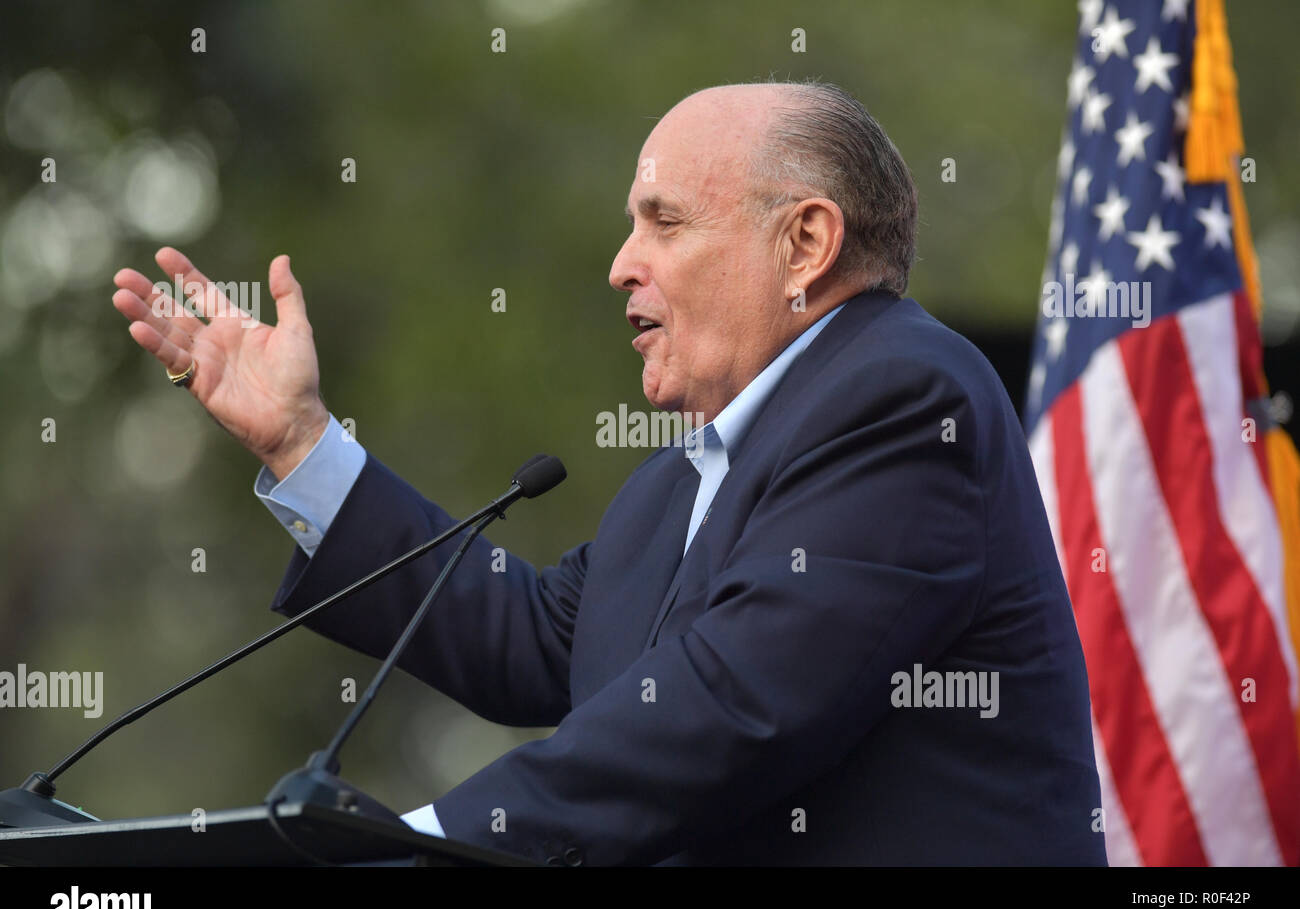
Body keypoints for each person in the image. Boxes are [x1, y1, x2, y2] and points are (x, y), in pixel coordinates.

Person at [110, 80, 1107, 866]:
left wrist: (418, 845)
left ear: (805, 241)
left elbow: (726, 710)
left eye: (663, 222)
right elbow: (531, 640)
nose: (621, 263)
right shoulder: (676, 483)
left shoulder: (903, 396)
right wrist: (299, 442)